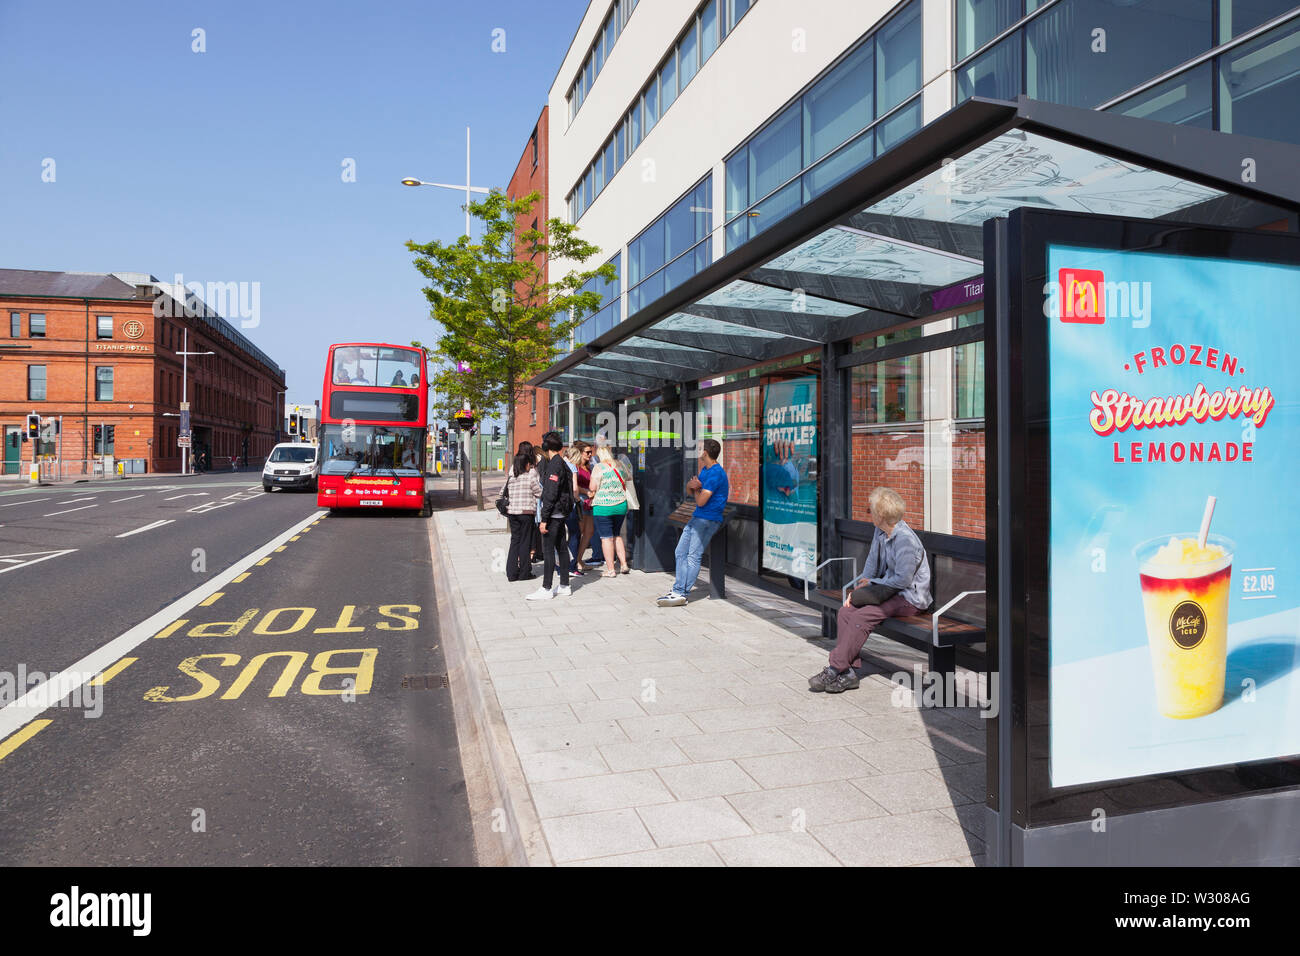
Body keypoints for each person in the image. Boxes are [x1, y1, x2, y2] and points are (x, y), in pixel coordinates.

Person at [810, 486, 932, 694]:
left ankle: (834, 667)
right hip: (887, 590)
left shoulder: (905, 540)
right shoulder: (880, 531)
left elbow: (902, 580)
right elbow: (871, 564)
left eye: (871, 510)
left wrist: (873, 585)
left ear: (881, 515)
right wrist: (863, 586)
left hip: (909, 598)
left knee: (864, 615)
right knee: (846, 611)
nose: (870, 513)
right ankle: (848, 673)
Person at [657, 438, 729, 607]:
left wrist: (695, 488)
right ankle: (678, 590)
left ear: (705, 452)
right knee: (680, 552)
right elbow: (690, 489)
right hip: (698, 517)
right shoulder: (705, 470)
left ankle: (682, 593)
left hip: (708, 519)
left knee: (693, 556)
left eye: (699, 448)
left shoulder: (716, 473)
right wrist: (693, 487)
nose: (696, 451)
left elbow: (701, 500)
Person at [527, 432, 573, 601]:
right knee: (561, 548)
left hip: (552, 514)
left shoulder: (554, 465)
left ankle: (546, 588)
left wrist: (544, 519)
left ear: (546, 446)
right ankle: (565, 585)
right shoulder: (562, 463)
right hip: (560, 513)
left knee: (548, 551)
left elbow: (551, 493)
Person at [589, 445, 632, 577]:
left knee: (606, 538)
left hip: (603, 506)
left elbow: (592, 487)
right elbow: (629, 478)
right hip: (620, 505)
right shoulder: (620, 465)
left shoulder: (598, 467)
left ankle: (611, 570)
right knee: (616, 535)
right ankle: (624, 564)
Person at [501, 452, 542, 582]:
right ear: (526, 464)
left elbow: (502, 492)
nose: (530, 466)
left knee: (515, 541)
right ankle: (525, 573)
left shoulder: (512, 478)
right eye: (529, 464)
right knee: (525, 542)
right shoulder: (530, 478)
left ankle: (511, 573)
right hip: (526, 513)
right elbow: (540, 492)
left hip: (512, 513)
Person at [566, 443, 596, 575]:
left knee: (589, 531)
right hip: (580, 501)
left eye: (591, 452)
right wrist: (586, 491)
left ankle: (579, 559)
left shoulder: (589, 467)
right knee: (580, 531)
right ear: (580, 452)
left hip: (590, 501)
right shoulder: (575, 467)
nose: (590, 455)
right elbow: (574, 485)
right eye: (587, 452)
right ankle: (574, 561)